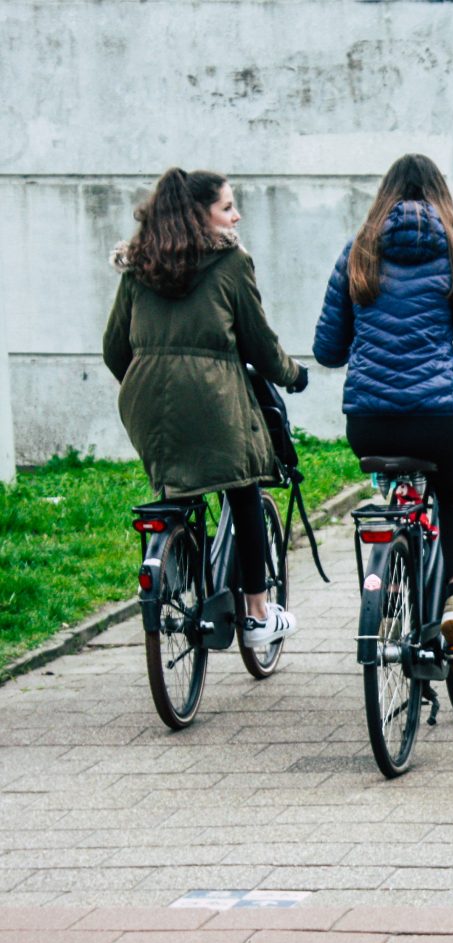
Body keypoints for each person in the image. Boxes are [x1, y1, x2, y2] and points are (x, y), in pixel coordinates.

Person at [313, 153, 453, 673]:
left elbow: (327, 350)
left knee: (402, 483)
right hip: (434, 420)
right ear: (442, 198)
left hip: (366, 423)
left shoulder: (356, 253)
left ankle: (386, 592)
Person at [102, 167, 308, 646]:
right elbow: (259, 343)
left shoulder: (139, 264)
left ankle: (184, 580)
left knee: (178, 491)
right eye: (227, 207)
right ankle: (257, 613)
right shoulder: (231, 262)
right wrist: (294, 375)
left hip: (146, 403)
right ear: (201, 215)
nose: (237, 216)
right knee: (244, 489)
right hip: (214, 401)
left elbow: (114, 348)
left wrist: (148, 381)